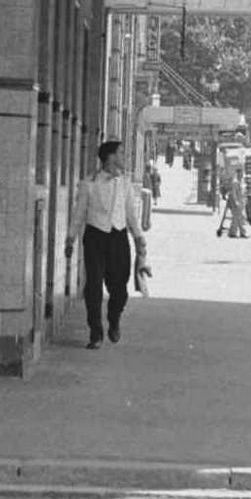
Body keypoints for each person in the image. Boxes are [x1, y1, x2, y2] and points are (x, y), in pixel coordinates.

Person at [68, 138, 145, 349]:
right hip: (95, 237)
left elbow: (130, 213)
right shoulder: (89, 183)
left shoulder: (125, 182)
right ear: (110, 156)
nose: (123, 157)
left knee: (120, 288)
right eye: (120, 153)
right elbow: (79, 212)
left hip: (118, 236)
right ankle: (95, 332)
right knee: (93, 286)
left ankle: (114, 319)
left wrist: (139, 237)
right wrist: (70, 237)